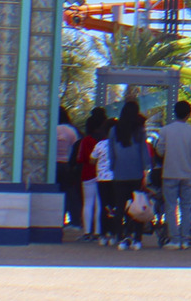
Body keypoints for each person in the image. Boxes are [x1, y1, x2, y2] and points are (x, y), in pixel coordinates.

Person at [104, 100, 152, 251]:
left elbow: (111, 153)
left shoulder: (114, 130)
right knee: (137, 206)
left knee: (120, 207)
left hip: (119, 173)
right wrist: (146, 170)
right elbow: (144, 151)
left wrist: (113, 168)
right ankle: (137, 239)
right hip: (136, 173)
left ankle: (121, 237)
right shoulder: (139, 130)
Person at [157, 99, 191, 250]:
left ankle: (174, 239)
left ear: (175, 112)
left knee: (170, 206)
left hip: (170, 172)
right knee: (186, 207)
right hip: (188, 173)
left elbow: (160, 150)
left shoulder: (165, 131)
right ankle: (185, 239)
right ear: (189, 114)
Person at [78, 107, 109, 242]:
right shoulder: (105, 141)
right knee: (100, 203)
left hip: (88, 173)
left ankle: (87, 232)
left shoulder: (86, 140)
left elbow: (81, 159)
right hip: (103, 175)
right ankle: (98, 231)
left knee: (88, 203)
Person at [56, 107, 81, 228]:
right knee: (70, 193)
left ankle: (57, 219)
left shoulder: (52, 129)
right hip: (67, 165)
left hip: (53, 165)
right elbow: (76, 148)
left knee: (55, 192)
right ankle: (75, 220)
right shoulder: (72, 131)